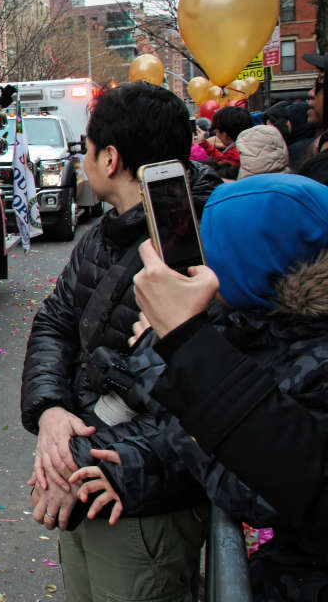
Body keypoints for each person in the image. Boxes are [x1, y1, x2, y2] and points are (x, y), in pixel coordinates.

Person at [20, 83, 211, 602]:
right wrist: (51, 414)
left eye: (85, 147)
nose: (80, 159)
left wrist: (70, 463)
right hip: (88, 489)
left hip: (138, 510)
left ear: (110, 158)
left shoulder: (195, 252)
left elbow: (197, 410)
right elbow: (55, 323)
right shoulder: (103, 236)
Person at [125, 174, 328, 599]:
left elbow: (251, 486)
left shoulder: (312, 363)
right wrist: (129, 464)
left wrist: (166, 363)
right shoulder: (264, 330)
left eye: (212, 253)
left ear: (244, 268)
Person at [200, 106, 253, 173]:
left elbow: (225, 160)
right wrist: (204, 144)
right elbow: (223, 157)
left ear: (225, 134)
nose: (216, 135)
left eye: (216, 131)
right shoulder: (252, 146)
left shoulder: (233, 161)